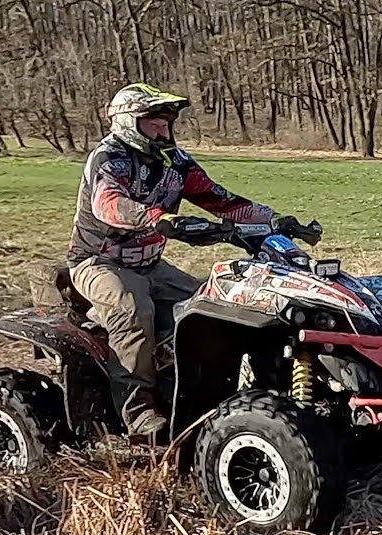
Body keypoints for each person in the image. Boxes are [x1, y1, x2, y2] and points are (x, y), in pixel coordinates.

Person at [67, 82, 290, 439]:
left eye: (166, 121)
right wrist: (157, 218)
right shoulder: (109, 157)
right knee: (133, 310)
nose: (162, 128)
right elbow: (109, 204)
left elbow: (223, 200)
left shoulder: (175, 162)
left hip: (152, 264)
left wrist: (275, 220)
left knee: (214, 305)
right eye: (152, 120)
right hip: (99, 263)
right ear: (129, 122)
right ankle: (138, 414)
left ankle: (210, 392)